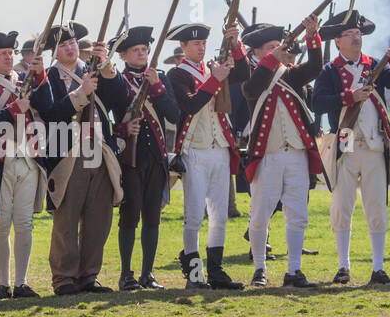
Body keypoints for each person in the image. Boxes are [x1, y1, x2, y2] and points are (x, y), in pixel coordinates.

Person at [311, 8, 390, 284]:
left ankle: (378, 268)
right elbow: (317, 103)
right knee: (343, 207)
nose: (355, 38)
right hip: (345, 144)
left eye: (357, 33)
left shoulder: (375, 64)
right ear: (337, 41)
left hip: (375, 144)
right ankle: (344, 266)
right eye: (349, 34)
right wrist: (348, 97)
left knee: (377, 207)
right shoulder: (330, 71)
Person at [40, 22, 129, 295]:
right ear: (54, 52)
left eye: (72, 43)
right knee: (66, 217)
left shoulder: (94, 69)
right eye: (63, 45)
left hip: (98, 149)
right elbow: (50, 113)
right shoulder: (49, 77)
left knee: (98, 217)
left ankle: (89, 276)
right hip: (69, 153)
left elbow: (121, 100)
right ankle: (64, 277)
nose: (70, 48)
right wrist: (81, 94)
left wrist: (106, 66)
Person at [240, 17, 324, 287]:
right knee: (260, 214)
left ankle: (294, 271)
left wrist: (313, 35)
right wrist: (273, 59)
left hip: (297, 152)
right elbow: (251, 90)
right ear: (257, 53)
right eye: (271, 47)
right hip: (268, 155)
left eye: (280, 46)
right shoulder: (253, 76)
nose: (279, 50)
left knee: (297, 213)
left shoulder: (292, 74)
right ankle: (259, 269)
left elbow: (315, 67)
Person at [166, 22, 250, 289]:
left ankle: (216, 272)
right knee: (193, 214)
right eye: (195, 44)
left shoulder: (213, 67)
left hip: (221, 148)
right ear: (183, 47)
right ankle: (193, 274)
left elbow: (245, 72)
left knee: (219, 214)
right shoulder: (177, 74)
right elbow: (190, 104)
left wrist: (235, 44)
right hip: (194, 150)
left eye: (203, 43)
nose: (201, 48)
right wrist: (216, 79)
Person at [0, 31, 52, 299]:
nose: (8, 57)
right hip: (0, 161)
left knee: (24, 222)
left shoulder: (24, 81)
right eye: (2, 54)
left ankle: (21, 282)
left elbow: (48, 105)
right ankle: (3, 282)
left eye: (10, 53)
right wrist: (11, 111)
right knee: (1, 223)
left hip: (28, 158)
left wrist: (41, 76)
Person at [112, 25, 179, 290]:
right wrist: (123, 129)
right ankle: (126, 274)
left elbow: (174, 114)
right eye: (135, 50)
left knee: (153, 215)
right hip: (131, 158)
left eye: (144, 50)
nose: (141, 54)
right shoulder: (117, 80)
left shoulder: (159, 78)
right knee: (130, 215)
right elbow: (111, 115)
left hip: (156, 156)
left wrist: (157, 87)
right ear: (125, 55)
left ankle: (147, 273)